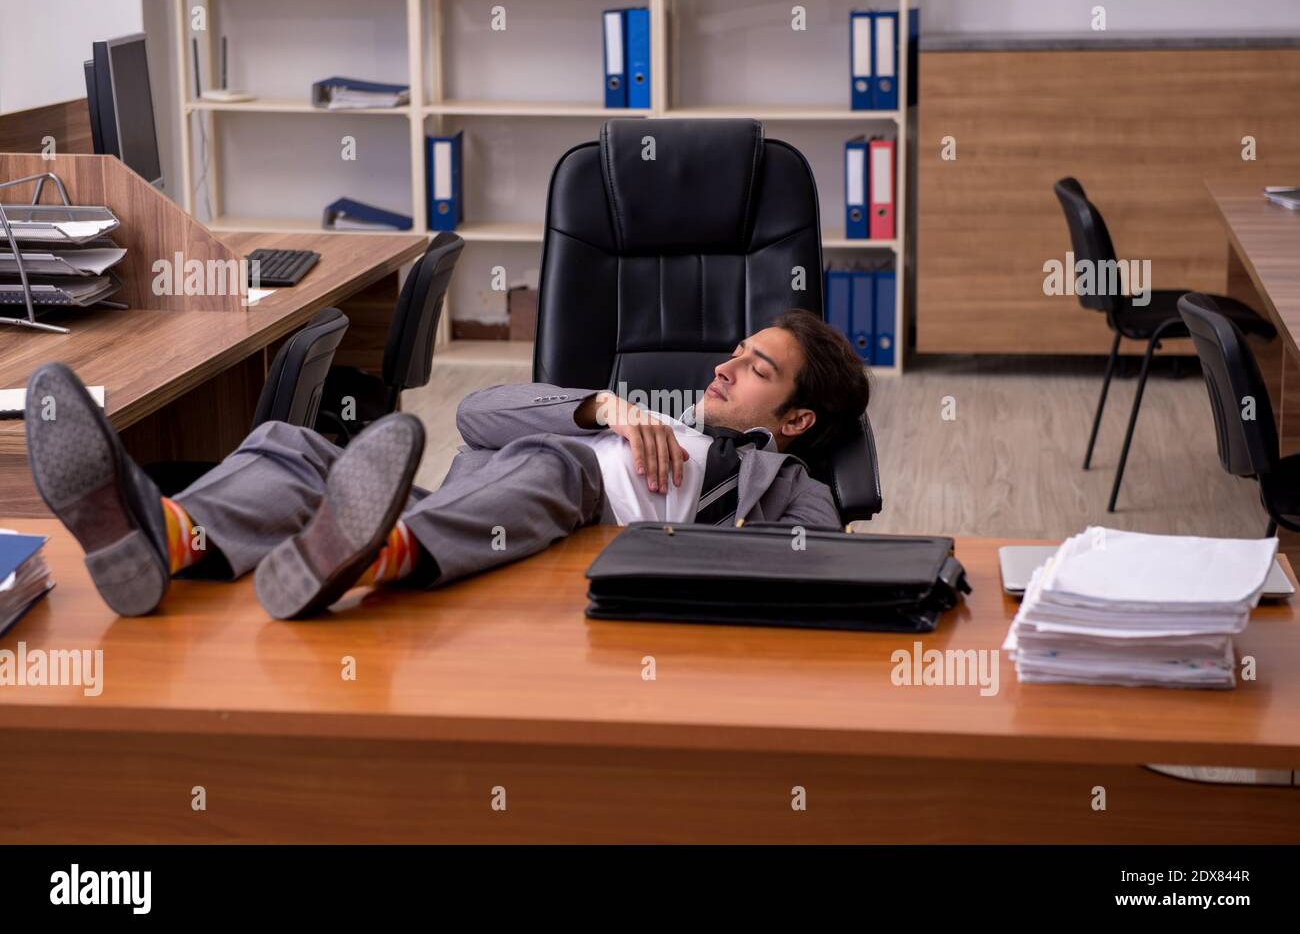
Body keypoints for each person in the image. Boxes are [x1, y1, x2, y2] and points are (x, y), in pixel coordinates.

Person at [25, 309, 870, 620]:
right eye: (736, 349)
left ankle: (375, 550)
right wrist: (600, 408)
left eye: (757, 368)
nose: (725, 365)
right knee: (292, 444)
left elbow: (823, 562)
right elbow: (473, 413)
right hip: (478, 499)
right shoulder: (639, 414)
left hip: (570, 517)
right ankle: (170, 535)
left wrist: (697, 528)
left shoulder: (790, 487)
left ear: (796, 417)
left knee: (554, 462)